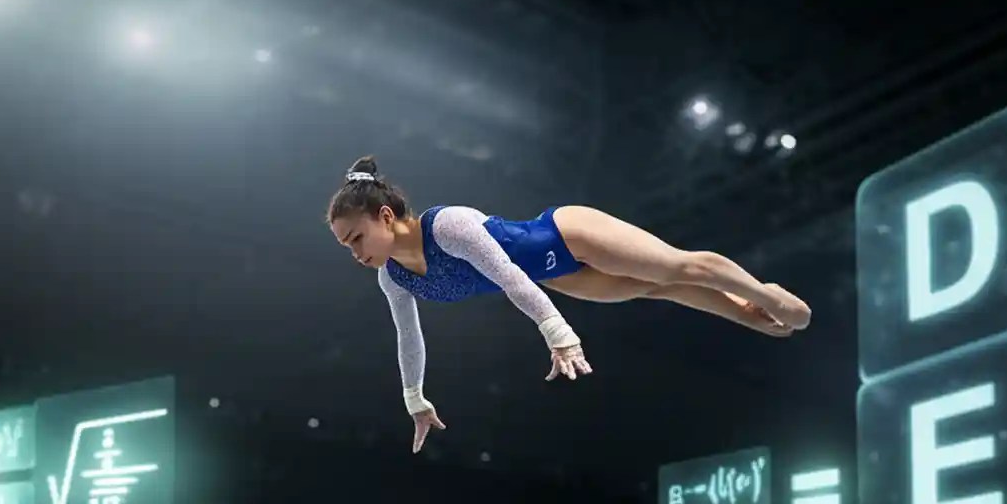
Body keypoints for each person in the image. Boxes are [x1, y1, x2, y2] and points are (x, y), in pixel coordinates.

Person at [326, 155, 811, 453]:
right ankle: (747, 314)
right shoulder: (393, 278)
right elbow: (408, 336)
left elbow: (508, 274)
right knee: (655, 288)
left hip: (567, 233)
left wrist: (557, 333)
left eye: (356, 238)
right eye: (346, 246)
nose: (354, 254)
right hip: (558, 277)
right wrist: (415, 399)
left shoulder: (446, 226)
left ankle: (762, 292)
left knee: (673, 267)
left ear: (385, 216)